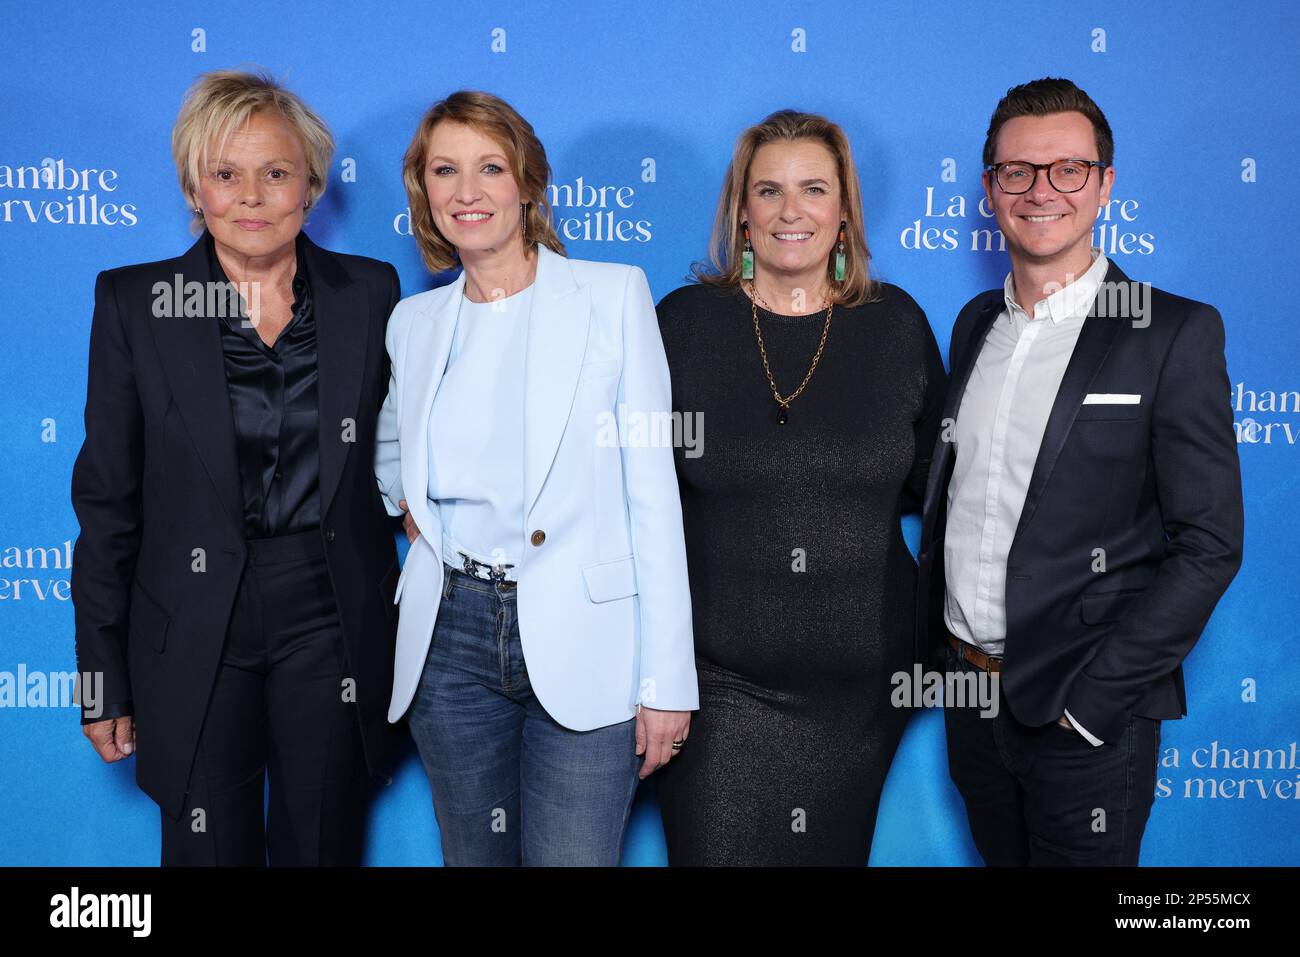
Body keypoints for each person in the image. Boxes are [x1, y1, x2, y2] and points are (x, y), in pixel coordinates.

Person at [72, 69, 403, 865]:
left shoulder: (371, 293)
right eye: (226, 173)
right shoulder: (134, 302)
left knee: (320, 847)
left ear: (312, 187)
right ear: (195, 185)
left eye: (276, 173)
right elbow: (106, 502)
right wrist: (98, 684)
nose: (251, 196)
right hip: (191, 621)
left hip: (329, 621)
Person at [916, 77, 1244, 865]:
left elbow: (1210, 543)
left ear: (1105, 184)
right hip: (971, 699)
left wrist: (1094, 703)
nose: (1041, 191)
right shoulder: (975, 325)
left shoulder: (1171, 333)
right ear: (991, 188)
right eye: (1017, 172)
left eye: (1068, 169)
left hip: (1085, 718)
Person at [374, 90, 697, 866]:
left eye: (490, 167)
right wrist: (415, 512)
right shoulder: (413, 324)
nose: (467, 191)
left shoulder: (613, 296)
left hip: (587, 636)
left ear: (526, 183)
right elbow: (391, 441)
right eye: (445, 170)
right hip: (450, 640)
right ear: (425, 192)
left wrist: (667, 679)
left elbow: (652, 495)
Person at [653, 110, 948, 865]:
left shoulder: (897, 325)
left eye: (815, 189)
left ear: (844, 211)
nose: (793, 211)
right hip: (721, 685)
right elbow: (631, 497)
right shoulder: (684, 326)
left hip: (864, 691)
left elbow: (948, 491)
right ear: (741, 214)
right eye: (769, 190)